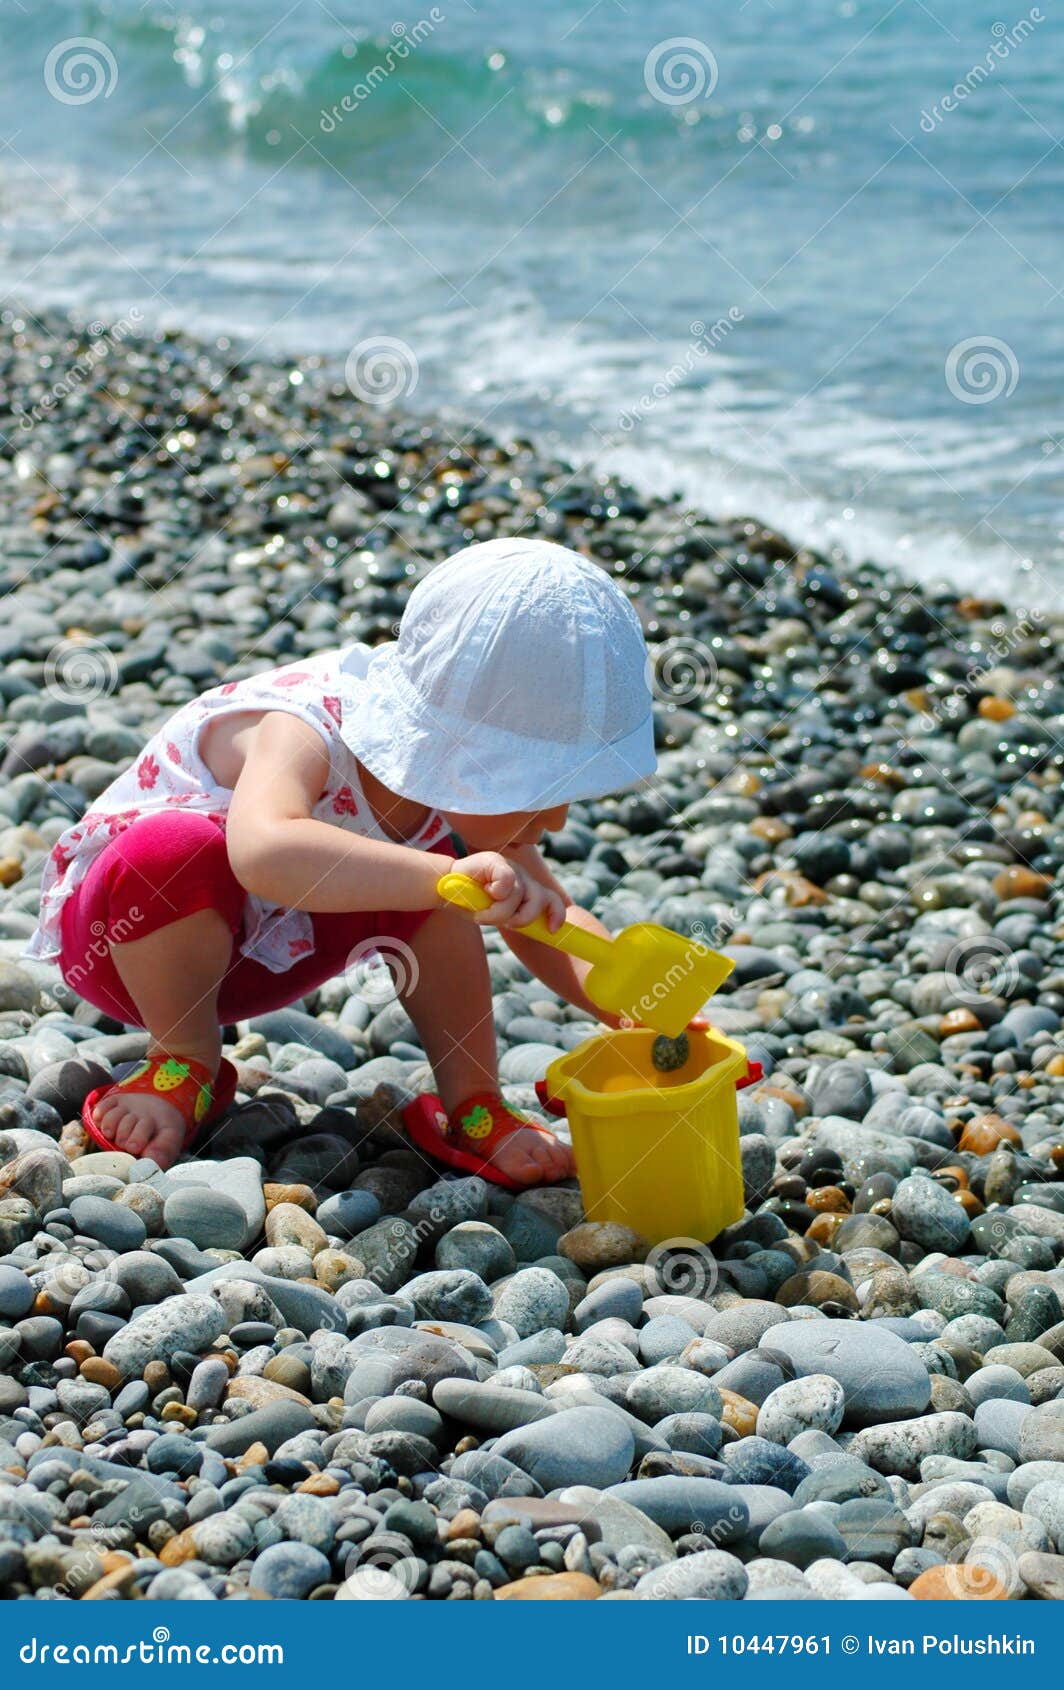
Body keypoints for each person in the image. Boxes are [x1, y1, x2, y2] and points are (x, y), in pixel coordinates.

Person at [26, 537, 657, 1188]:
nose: (553, 824)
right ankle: (183, 1062)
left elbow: (552, 916)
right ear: (466, 754)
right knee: (177, 848)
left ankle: (472, 1107)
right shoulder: (302, 725)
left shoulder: (462, 789)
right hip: (131, 944)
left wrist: (644, 1013)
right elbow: (264, 851)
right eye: (536, 795)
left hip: (265, 956)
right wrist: (442, 879)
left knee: (442, 885)